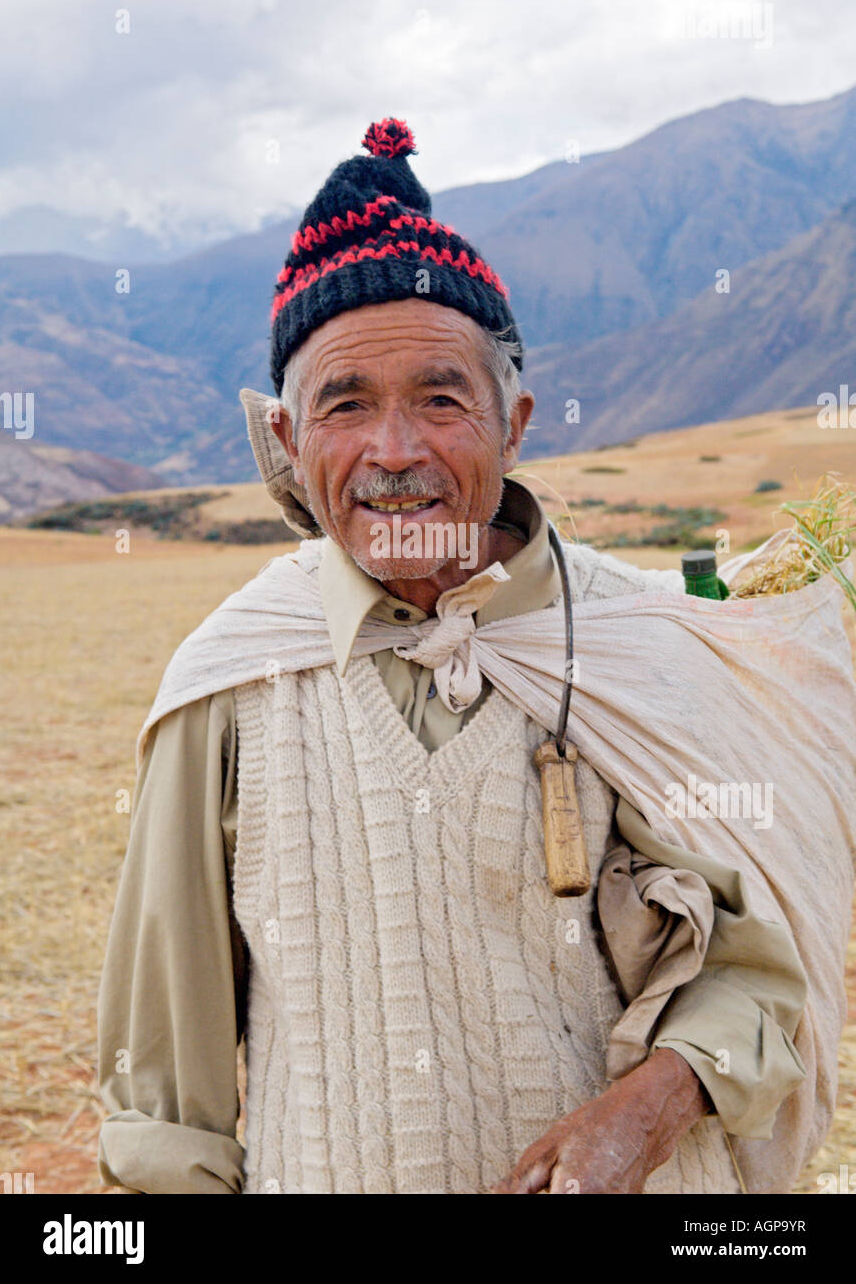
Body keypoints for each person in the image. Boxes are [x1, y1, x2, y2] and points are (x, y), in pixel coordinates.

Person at [97, 119, 807, 1195]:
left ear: (511, 422)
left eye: (440, 398)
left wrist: (656, 1103)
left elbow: (757, 973)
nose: (395, 452)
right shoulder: (228, 685)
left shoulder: (632, 645)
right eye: (345, 405)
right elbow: (163, 1109)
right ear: (287, 446)